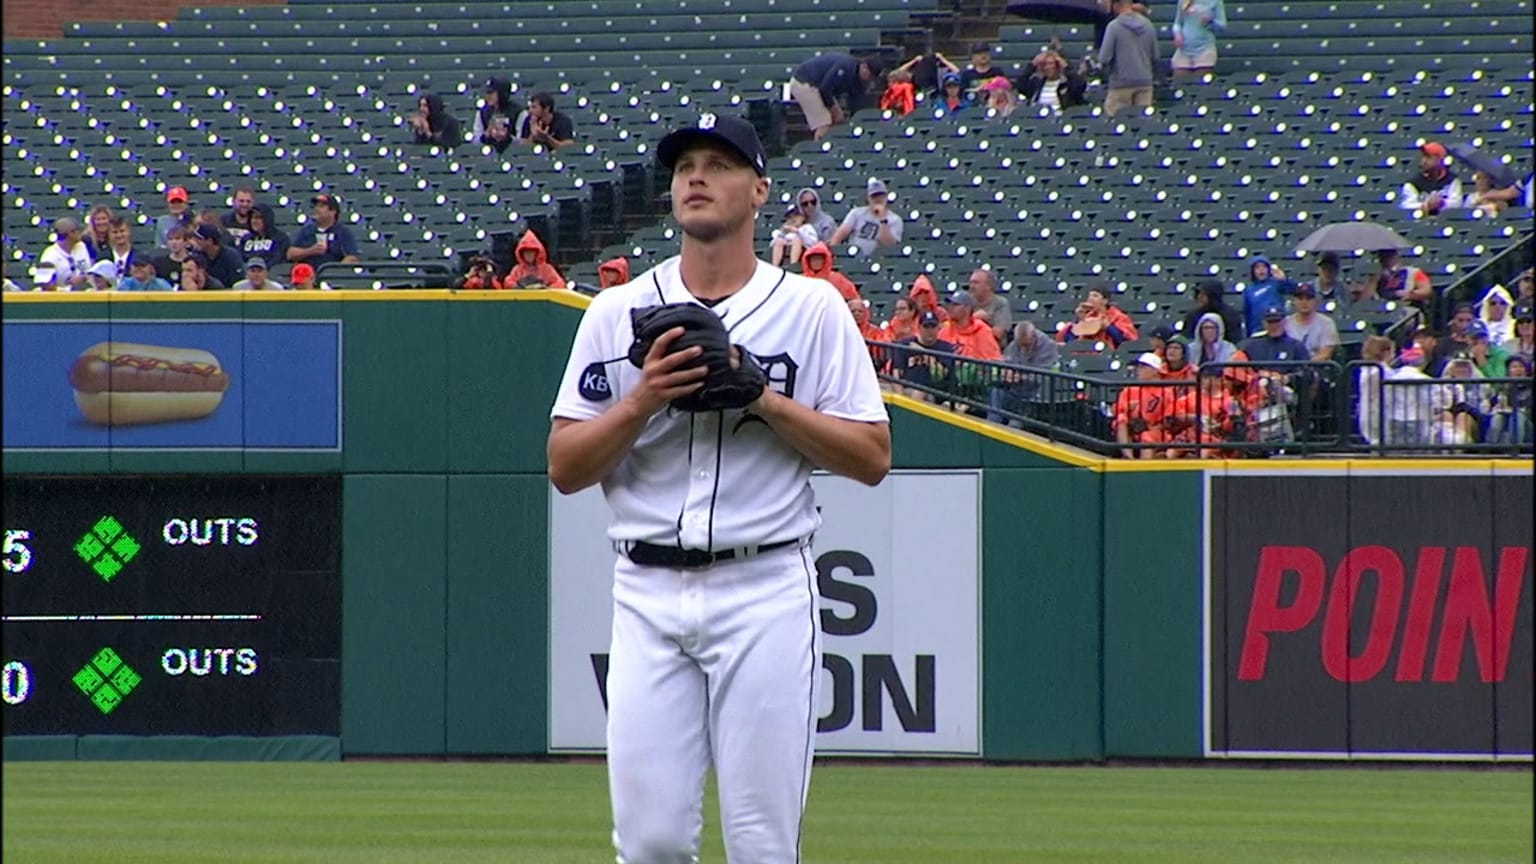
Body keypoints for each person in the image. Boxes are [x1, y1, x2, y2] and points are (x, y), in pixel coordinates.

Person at [546, 113, 890, 864]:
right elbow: (565, 466)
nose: (696, 177)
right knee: (651, 842)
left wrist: (763, 399)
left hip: (763, 587)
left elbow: (871, 456)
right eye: (684, 167)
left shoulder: (811, 308)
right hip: (646, 590)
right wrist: (642, 400)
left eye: (719, 164)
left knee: (763, 844)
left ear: (760, 190)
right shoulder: (615, 311)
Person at [787, 52, 883, 140]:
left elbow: (855, 103)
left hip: (820, 87)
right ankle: (820, 148)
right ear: (863, 65)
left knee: (838, 120)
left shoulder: (859, 81)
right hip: (805, 82)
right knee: (824, 122)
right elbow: (825, 89)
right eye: (868, 73)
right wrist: (835, 111)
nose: (868, 77)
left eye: (871, 77)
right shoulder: (846, 66)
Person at [1098, 0, 1159, 116]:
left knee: (1116, 120)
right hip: (1144, 82)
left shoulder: (1114, 27)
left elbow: (1104, 58)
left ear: (1116, 6)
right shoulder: (1148, 25)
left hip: (1120, 84)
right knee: (1142, 121)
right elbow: (1155, 56)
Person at [828, 178, 903, 257]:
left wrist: (882, 219)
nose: (878, 199)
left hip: (880, 258)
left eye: (881, 196)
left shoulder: (895, 219)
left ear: (886, 197)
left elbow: (889, 246)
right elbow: (842, 232)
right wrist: (833, 252)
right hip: (854, 255)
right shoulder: (856, 213)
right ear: (868, 198)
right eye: (874, 196)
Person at [893, 310, 958, 400]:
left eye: (933, 327)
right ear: (919, 328)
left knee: (921, 393)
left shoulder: (946, 348)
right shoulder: (906, 344)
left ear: (938, 328)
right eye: (926, 327)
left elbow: (942, 373)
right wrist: (900, 397)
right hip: (907, 388)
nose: (930, 331)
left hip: (932, 392)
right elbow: (896, 373)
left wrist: (922, 352)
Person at [288, 193, 361, 268]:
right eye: (315, 206)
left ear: (333, 211)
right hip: (308, 272)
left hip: (332, 273)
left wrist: (336, 269)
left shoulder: (343, 232)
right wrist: (310, 251)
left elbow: (352, 258)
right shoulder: (306, 231)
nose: (316, 209)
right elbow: (290, 254)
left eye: (321, 206)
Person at [1398, 142, 1463, 216]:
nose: (1424, 161)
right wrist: (1426, 205)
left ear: (1439, 159)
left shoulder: (1452, 180)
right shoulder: (1413, 183)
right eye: (1423, 156)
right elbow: (1406, 205)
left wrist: (1441, 203)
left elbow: (1457, 204)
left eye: (1428, 157)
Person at [1016, 48, 1089, 113]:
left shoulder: (1067, 84)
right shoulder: (1036, 83)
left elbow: (1080, 85)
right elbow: (1020, 85)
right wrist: (1032, 64)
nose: (1048, 67)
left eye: (1051, 63)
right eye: (1045, 64)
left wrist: (1066, 67)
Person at [1282, 283, 1340, 363]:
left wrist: (1305, 365)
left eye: (1309, 299)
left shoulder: (1326, 323)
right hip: (1289, 366)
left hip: (1317, 366)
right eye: (1300, 299)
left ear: (1315, 301)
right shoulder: (1285, 323)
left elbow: (1325, 354)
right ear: (1294, 301)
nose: (1304, 302)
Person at [1240, 255, 1296, 337]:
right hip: (1258, 330)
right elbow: (1248, 314)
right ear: (1253, 271)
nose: (1261, 270)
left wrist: (1284, 280)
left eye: (1264, 267)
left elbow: (1294, 290)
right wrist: (1249, 334)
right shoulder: (1249, 290)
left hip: (1278, 328)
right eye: (1257, 267)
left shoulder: (1276, 283)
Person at [1171, 0, 1226, 77]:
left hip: (1205, 48)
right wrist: (1177, 34)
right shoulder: (1183, 1)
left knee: (1200, 80)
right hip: (1184, 48)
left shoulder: (1215, 1)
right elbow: (1177, 23)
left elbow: (1222, 26)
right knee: (1179, 79)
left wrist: (1210, 22)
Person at [1180, 278, 1245, 343]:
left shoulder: (1230, 315)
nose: (1199, 297)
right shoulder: (1192, 315)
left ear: (1213, 297)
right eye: (1198, 294)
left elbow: (1234, 341)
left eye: (1203, 295)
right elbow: (1187, 339)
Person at [39, 217, 93, 290]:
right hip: (60, 295)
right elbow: (45, 285)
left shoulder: (81, 246)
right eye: (77, 231)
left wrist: (83, 278)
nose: (80, 233)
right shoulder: (49, 255)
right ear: (70, 233)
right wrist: (67, 288)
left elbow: (88, 270)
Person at [190, 223, 246, 288]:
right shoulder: (197, 255)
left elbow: (238, 283)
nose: (195, 241)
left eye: (199, 239)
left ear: (210, 241)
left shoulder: (231, 256)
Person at [966, 269, 1012, 347]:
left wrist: (982, 322)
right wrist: (973, 319)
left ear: (988, 286)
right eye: (971, 283)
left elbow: (998, 333)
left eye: (976, 283)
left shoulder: (1000, 303)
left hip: (991, 349)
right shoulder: (967, 302)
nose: (972, 286)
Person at [474, 77, 520, 151]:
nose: (488, 96)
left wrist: (507, 137)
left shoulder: (518, 111)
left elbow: (523, 140)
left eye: (491, 93)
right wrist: (487, 135)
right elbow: (476, 141)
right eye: (487, 93)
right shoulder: (482, 112)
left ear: (502, 93)